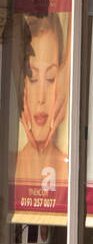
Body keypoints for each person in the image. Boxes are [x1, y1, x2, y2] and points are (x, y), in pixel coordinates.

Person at [13, 14, 69, 193]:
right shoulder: (7, 168)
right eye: (33, 77)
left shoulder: (71, 171)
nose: (41, 98)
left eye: (51, 78)